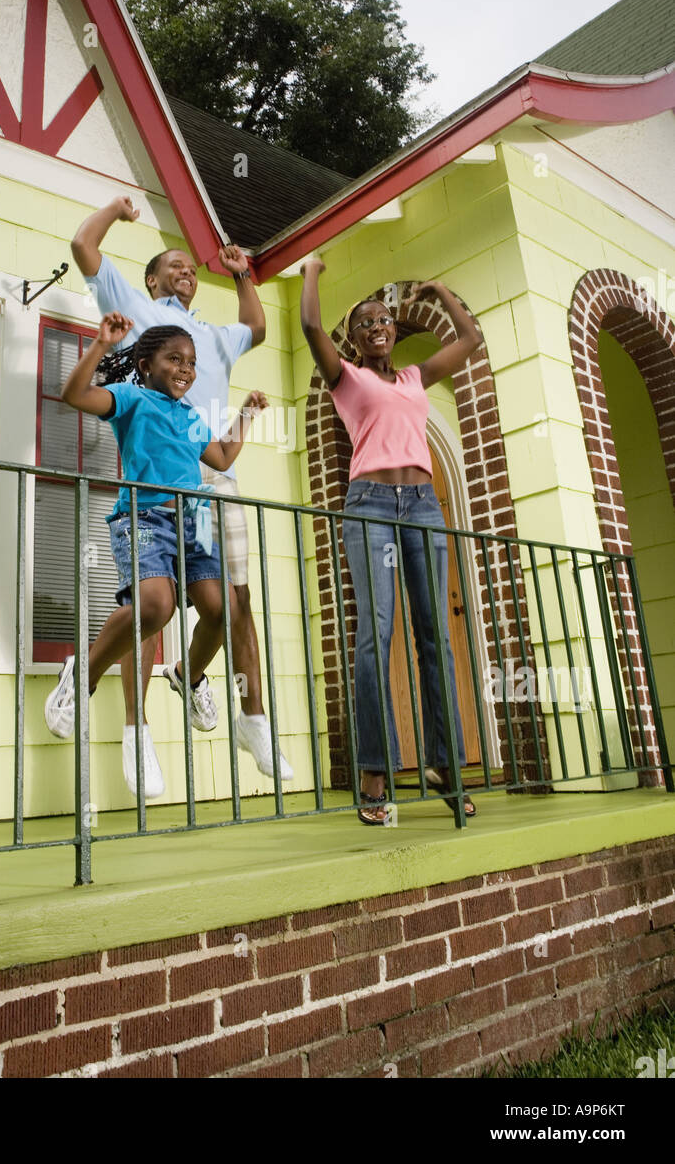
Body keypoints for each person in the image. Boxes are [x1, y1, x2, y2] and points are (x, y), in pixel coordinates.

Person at [67, 195, 292, 783]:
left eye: (193, 266)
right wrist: (116, 210)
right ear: (149, 278)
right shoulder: (136, 310)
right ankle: (136, 731)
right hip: (155, 484)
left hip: (211, 476)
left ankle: (221, 700)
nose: (187, 270)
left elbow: (259, 327)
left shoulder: (213, 339)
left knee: (231, 605)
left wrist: (243, 274)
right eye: (174, 264)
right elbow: (83, 249)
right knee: (151, 604)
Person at [43, 313, 268, 799]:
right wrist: (101, 345)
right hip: (145, 519)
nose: (185, 368)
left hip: (197, 522)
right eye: (174, 359)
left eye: (191, 362)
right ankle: (85, 676)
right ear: (146, 365)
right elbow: (74, 395)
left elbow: (222, 458)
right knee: (156, 606)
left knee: (223, 610)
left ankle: (188, 678)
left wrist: (246, 414)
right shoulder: (132, 399)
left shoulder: (190, 416)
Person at [300, 258, 483, 824]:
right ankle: (375, 771)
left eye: (384, 320)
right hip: (372, 507)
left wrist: (442, 290)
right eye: (365, 323)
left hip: (424, 508)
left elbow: (471, 339)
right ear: (354, 342)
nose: (378, 326)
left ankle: (444, 764)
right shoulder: (346, 380)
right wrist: (311, 272)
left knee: (435, 637)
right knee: (375, 634)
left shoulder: (413, 379)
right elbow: (310, 328)